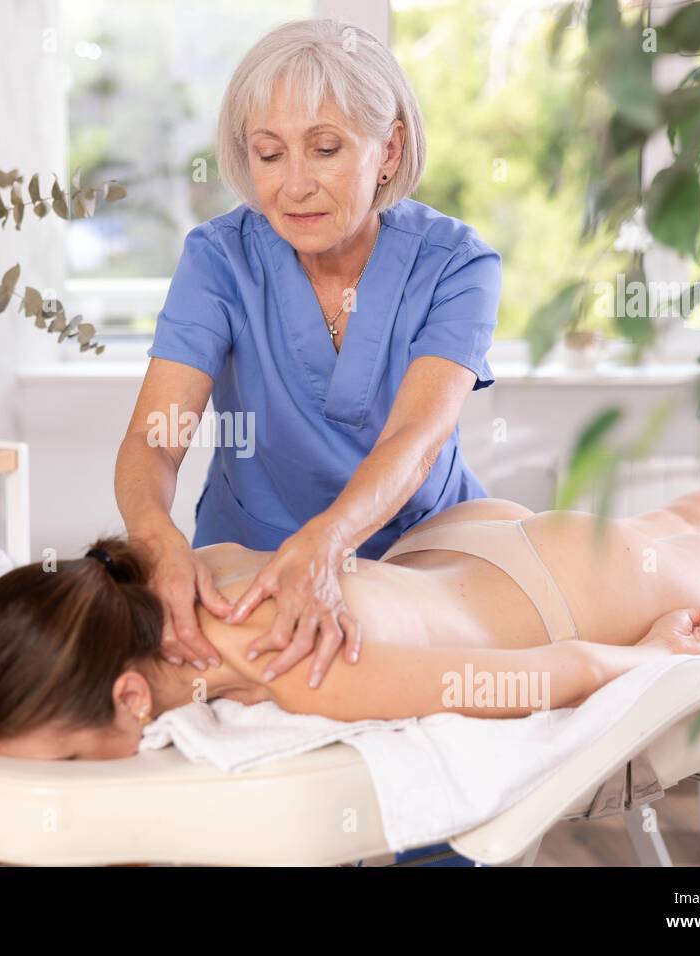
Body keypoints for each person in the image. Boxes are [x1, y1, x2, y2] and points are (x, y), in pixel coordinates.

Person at [115, 17, 501, 693]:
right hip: (250, 556)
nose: (292, 186)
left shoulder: (456, 264)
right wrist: (155, 538)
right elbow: (156, 437)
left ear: (388, 149)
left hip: (426, 559)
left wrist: (326, 546)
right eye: (269, 155)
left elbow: (416, 440)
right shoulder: (220, 259)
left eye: (324, 149)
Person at [0, 485, 700, 760]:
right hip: (452, 554)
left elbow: (531, 678)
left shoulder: (294, 661)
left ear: (130, 694)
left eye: (70, 764)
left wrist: (643, 658)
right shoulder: (176, 579)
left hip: (563, 591)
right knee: (695, 519)